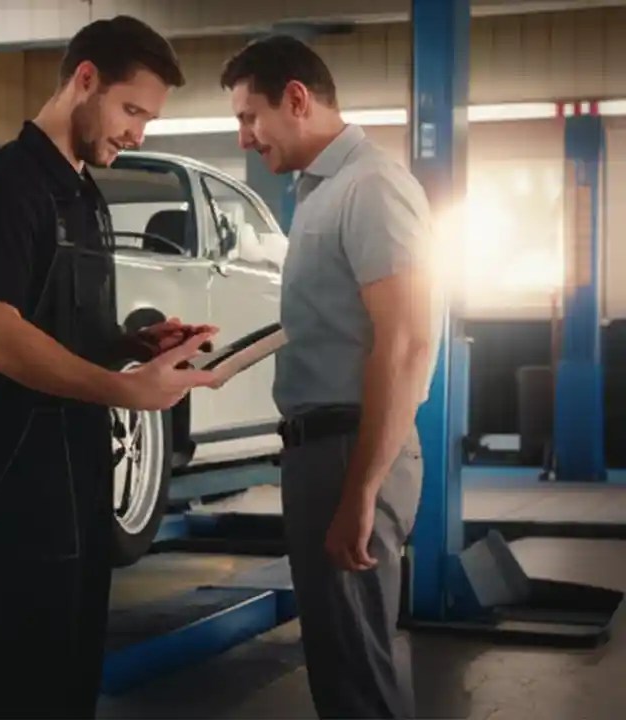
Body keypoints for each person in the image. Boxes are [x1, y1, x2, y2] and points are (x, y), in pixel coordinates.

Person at [0, 15, 222, 719]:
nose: (137, 133)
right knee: (20, 670)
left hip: (77, 464)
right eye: (131, 111)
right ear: (84, 80)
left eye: (148, 119)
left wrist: (139, 343)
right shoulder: (2, 189)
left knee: (71, 665)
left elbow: (66, 326)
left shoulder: (85, 194)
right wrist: (124, 388)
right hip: (13, 463)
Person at [219, 35, 442, 719]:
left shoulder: (370, 186)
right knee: (339, 665)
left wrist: (361, 491)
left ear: (296, 98)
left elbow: (405, 342)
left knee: (356, 675)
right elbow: (329, 326)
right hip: (323, 449)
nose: (245, 139)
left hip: (352, 448)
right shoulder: (318, 194)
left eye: (249, 117)